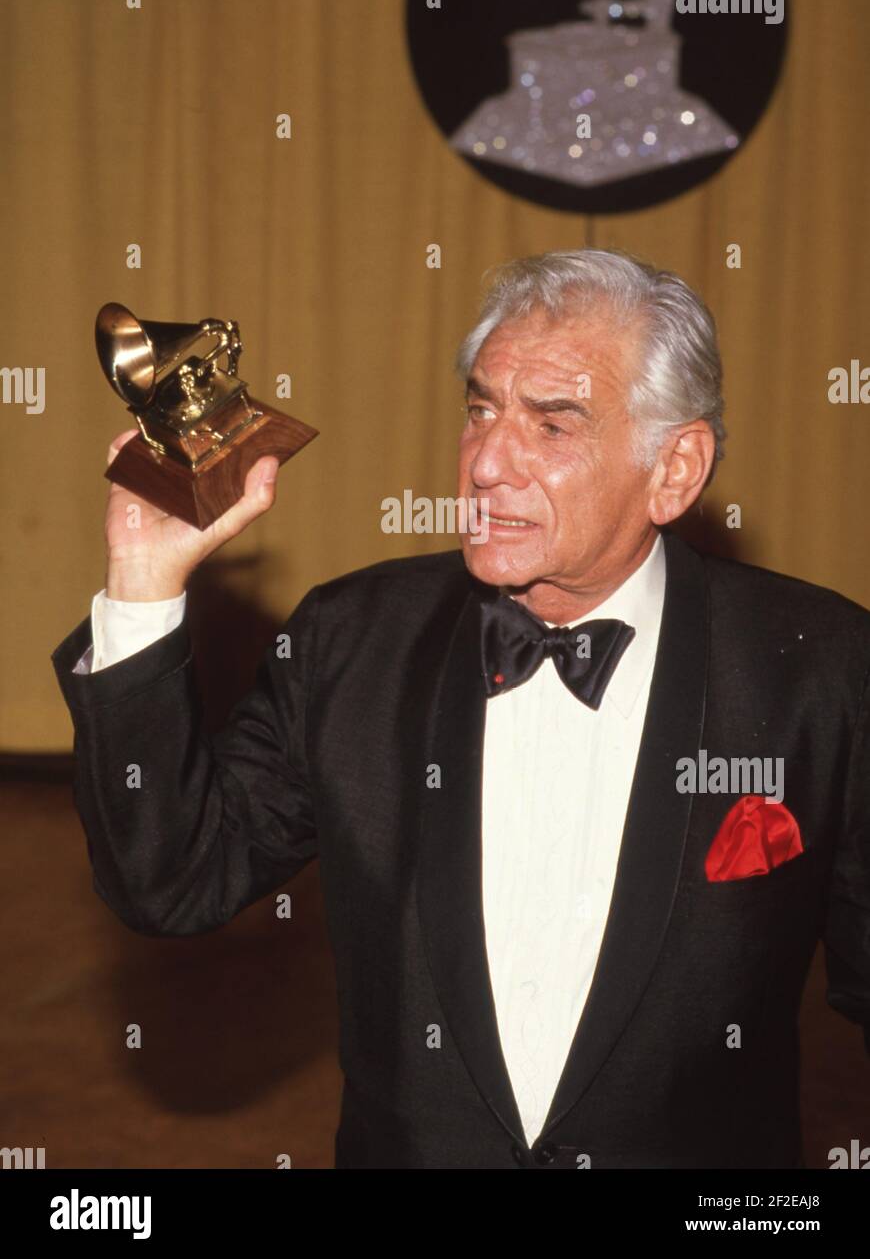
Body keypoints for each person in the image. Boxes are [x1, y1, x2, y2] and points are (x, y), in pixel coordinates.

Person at [51, 249, 870, 1169]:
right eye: (482, 409)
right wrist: (143, 582)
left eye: (553, 426)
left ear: (675, 469)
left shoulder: (820, 670)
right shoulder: (348, 642)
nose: (486, 462)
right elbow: (168, 882)